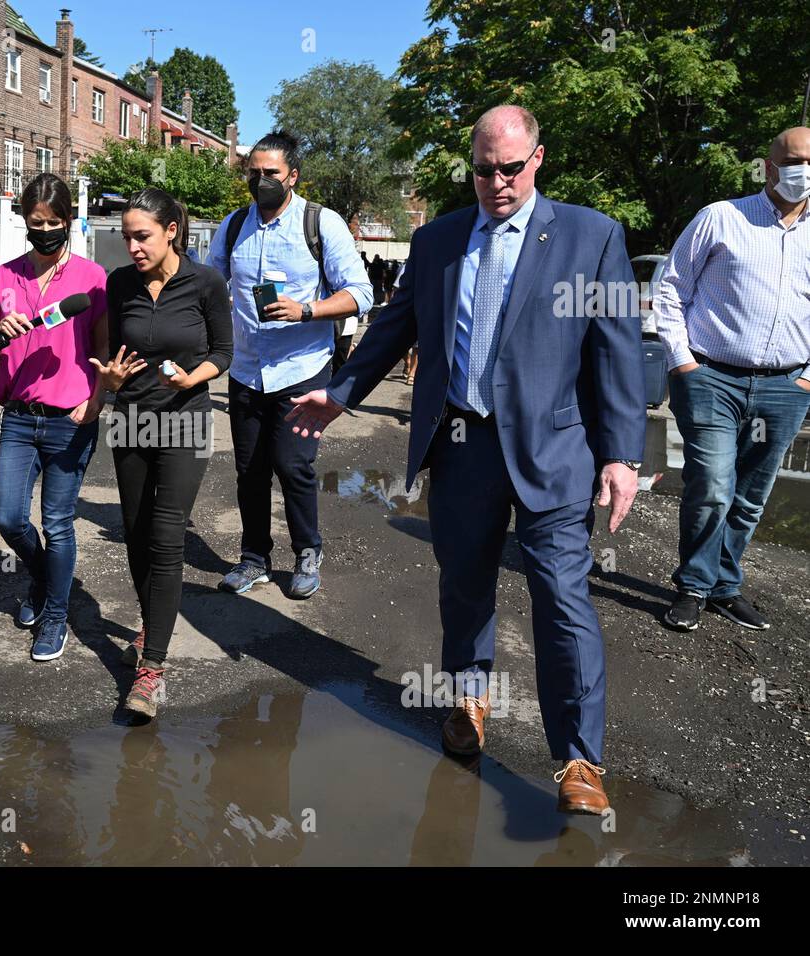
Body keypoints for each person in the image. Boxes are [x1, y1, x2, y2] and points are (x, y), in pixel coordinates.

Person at [287, 105, 645, 814]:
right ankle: (470, 699)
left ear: (538, 159)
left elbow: (617, 350)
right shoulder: (442, 237)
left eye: (510, 168)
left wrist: (623, 455)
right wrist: (340, 393)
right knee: (464, 587)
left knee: (563, 603)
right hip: (462, 446)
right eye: (483, 170)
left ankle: (578, 759)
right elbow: (397, 326)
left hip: (555, 450)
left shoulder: (591, 236)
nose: (497, 182)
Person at [654, 127, 810, 633]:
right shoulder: (722, 218)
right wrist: (683, 364)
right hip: (712, 378)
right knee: (714, 486)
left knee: (751, 495)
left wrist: (807, 379)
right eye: (795, 160)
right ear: (769, 166)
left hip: (786, 387)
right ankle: (694, 586)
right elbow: (671, 288)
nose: (803, 171)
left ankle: (725, 586)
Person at [206, 131, 372, 600]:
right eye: (254, 173)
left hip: (302, 368)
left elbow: (362, 293)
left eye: (271, 174)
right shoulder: (234, 224)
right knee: (249, 470)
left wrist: (307, 309)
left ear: (293, 176)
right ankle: (255, 558)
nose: (261, 182)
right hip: (246, 370)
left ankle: (307, 551)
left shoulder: (322, 224)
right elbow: (210, 281)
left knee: (292, 464)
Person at [93, 187, 232, 718]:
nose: (131, 246)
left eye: (142, 236)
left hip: (185, 420)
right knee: (135, 530)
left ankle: (150, 668)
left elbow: (225, 352)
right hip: (131, 419)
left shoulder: (205, 283)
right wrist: (108, 377)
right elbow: (112, 349)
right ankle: (153, 621)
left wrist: (192, 377)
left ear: (171, 230)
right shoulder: (119, 283)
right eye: (127, 236)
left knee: (167, 534)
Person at [0, 173, 108, 662]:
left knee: (58, 522)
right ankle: (46, 578)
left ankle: (54, 615)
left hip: (69, 419)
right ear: (24, 222)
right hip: (18, 417)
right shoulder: (5, 277)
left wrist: (96, 400)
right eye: (36, 222)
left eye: (54, 222)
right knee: (9, 518)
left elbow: (103, 350)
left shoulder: (93, 278)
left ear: (68, 222)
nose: (45, 230)